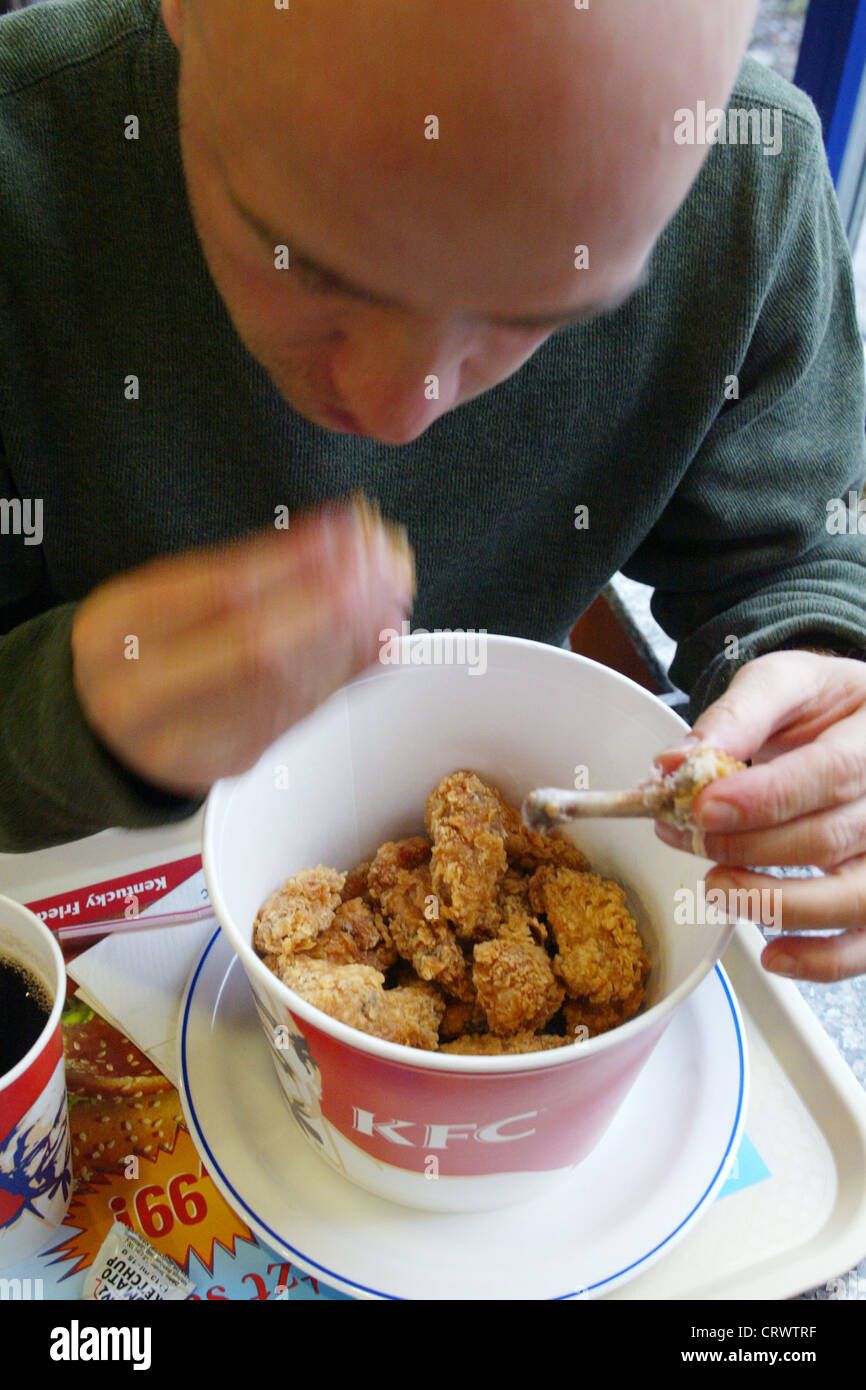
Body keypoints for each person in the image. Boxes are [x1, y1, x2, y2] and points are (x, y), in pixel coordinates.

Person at [1, 0, 865, 983]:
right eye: (311, 268)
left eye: (534, 314)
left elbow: (791, 558)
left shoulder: (748, 190)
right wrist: (71, 716)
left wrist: (821, 679)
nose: (398, 409)